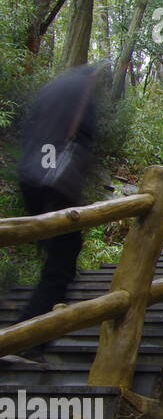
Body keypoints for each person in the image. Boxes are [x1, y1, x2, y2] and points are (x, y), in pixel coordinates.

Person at [15, 62, 104, 324]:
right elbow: (86, 136)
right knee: (64, 257)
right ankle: (32, 334)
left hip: (29, 175)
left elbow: (29, 126)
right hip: (56, 182)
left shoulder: (51, 86)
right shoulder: (83, 90)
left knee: (52, 248)